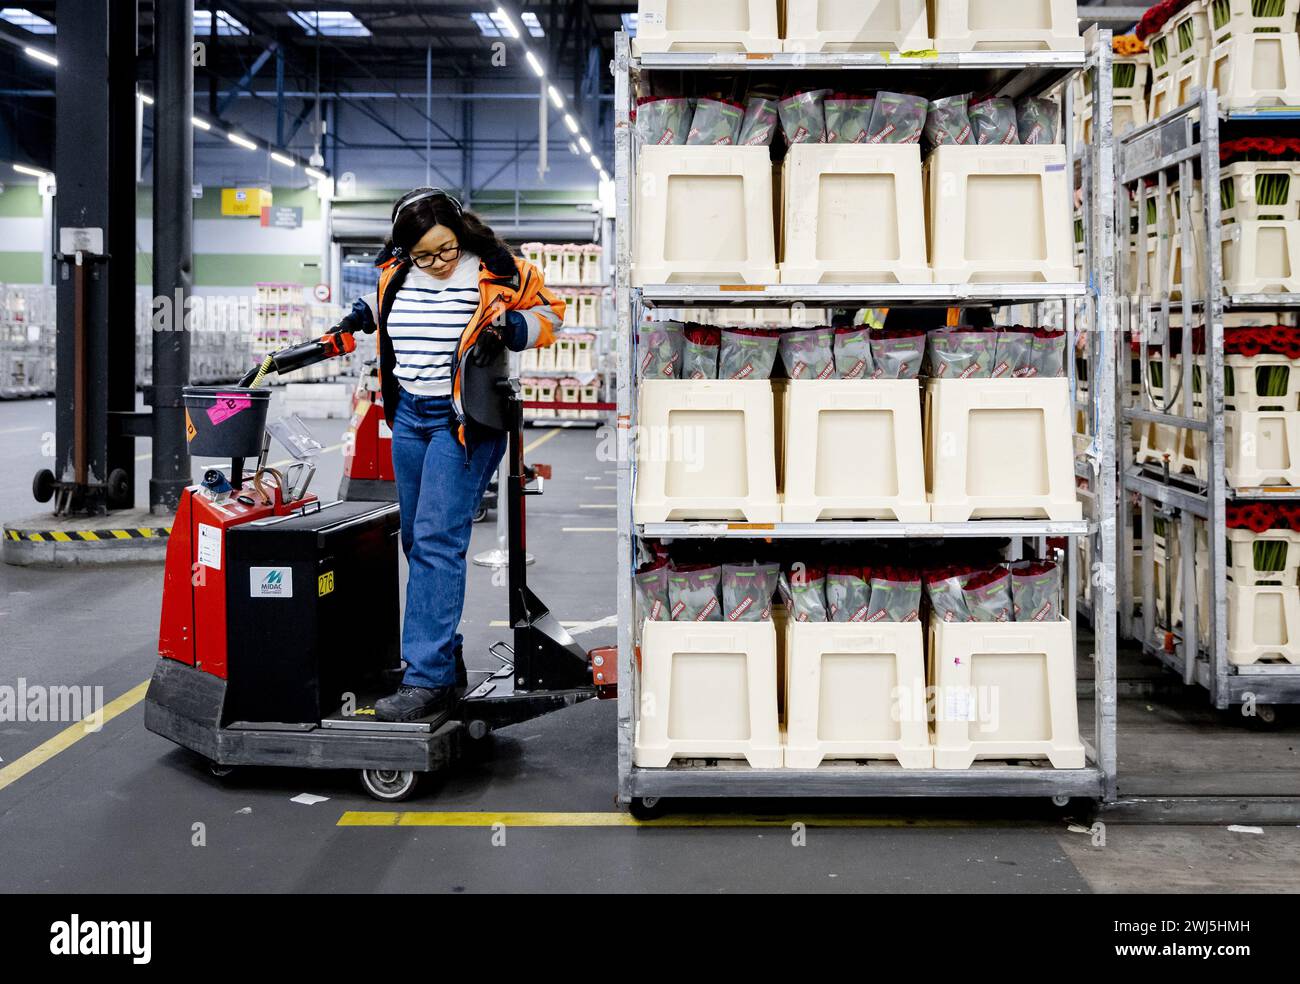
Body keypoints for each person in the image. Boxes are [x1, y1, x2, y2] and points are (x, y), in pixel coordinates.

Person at [335, 188, 564, 721]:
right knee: (417, 539)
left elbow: (555, 318)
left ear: (461, 232)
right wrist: (358, 316)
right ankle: (444, 657)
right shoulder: (398, 273)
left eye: (445, 250)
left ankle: (427, 678)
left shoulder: (498, 272)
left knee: (438, 540)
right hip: (410, 418)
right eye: (423, 255)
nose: (437, 264)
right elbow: (387, 303)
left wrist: (515, 327)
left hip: (464, 422)